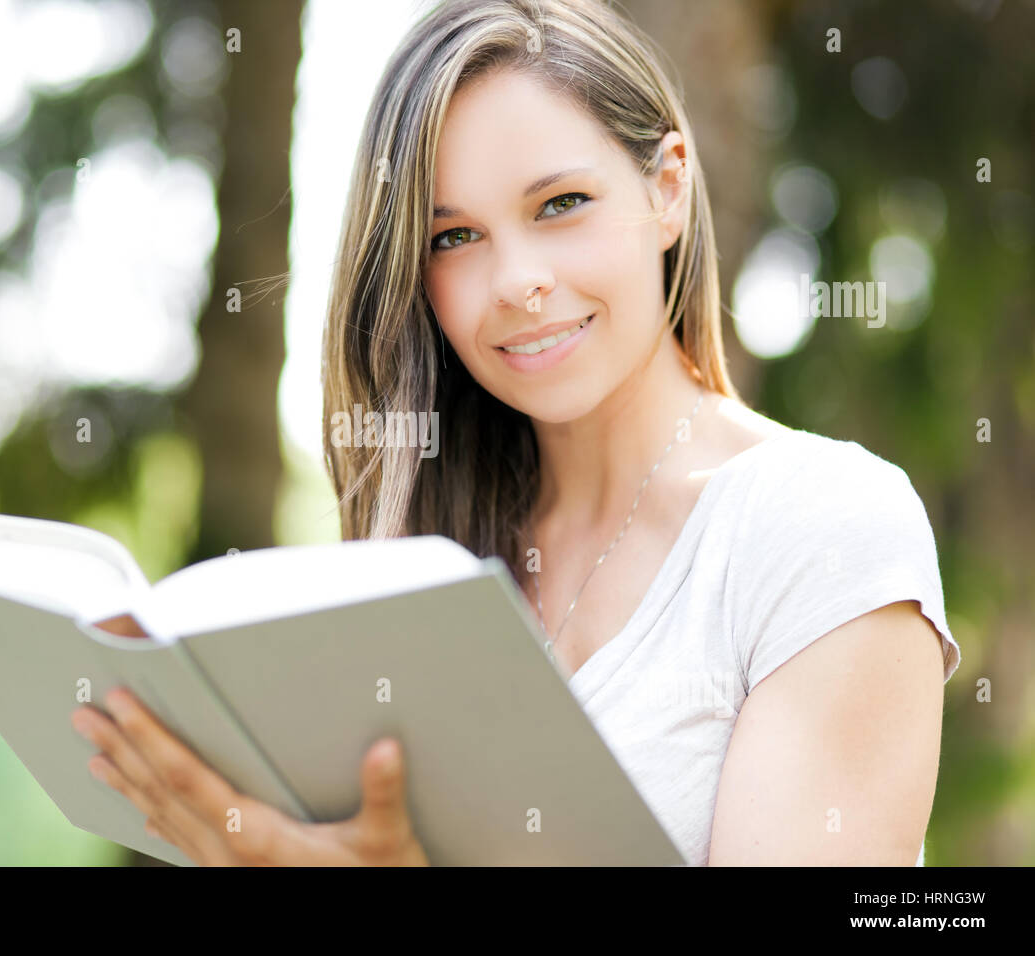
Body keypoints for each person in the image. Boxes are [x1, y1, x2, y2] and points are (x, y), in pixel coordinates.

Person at [78, 0, 960, 865]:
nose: (516, 281)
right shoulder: (413, 566)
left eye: (561, 203)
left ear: (668, 189)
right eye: (455, 235)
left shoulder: (824, 529)